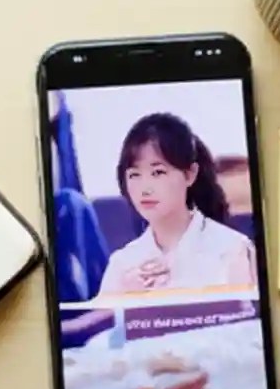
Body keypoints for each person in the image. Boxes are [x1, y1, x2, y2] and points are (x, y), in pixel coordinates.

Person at [96, 113, 256, 295]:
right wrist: (124, 300)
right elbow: (102, 321)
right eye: (134, 175)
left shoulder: (233, 250)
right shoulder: (122, 265)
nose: (144, 189)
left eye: (158, 172)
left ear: (190, 175)